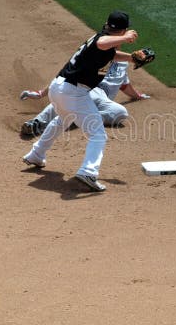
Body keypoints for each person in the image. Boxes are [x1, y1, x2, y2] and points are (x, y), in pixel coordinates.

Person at [22, 11, 138, 192]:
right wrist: (128, 36)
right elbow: (104, 43)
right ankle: (88, 172)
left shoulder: (99, 45)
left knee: (62, 120)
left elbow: (110, 53)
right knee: (98, 134)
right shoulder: (101, 40)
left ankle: (36, 154)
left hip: (58, 88)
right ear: (123, 30)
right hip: (73, 92)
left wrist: (131, 58)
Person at [19, 59, 150, 138]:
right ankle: (36, 124)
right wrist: (41, 93)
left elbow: (124, 85)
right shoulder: (94, 57)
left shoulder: (123, 63)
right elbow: (66, 76)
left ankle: (81, 119)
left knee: (121, 113)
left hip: (104, 99)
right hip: (87, 91)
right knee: (66, 100)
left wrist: (137, 96)